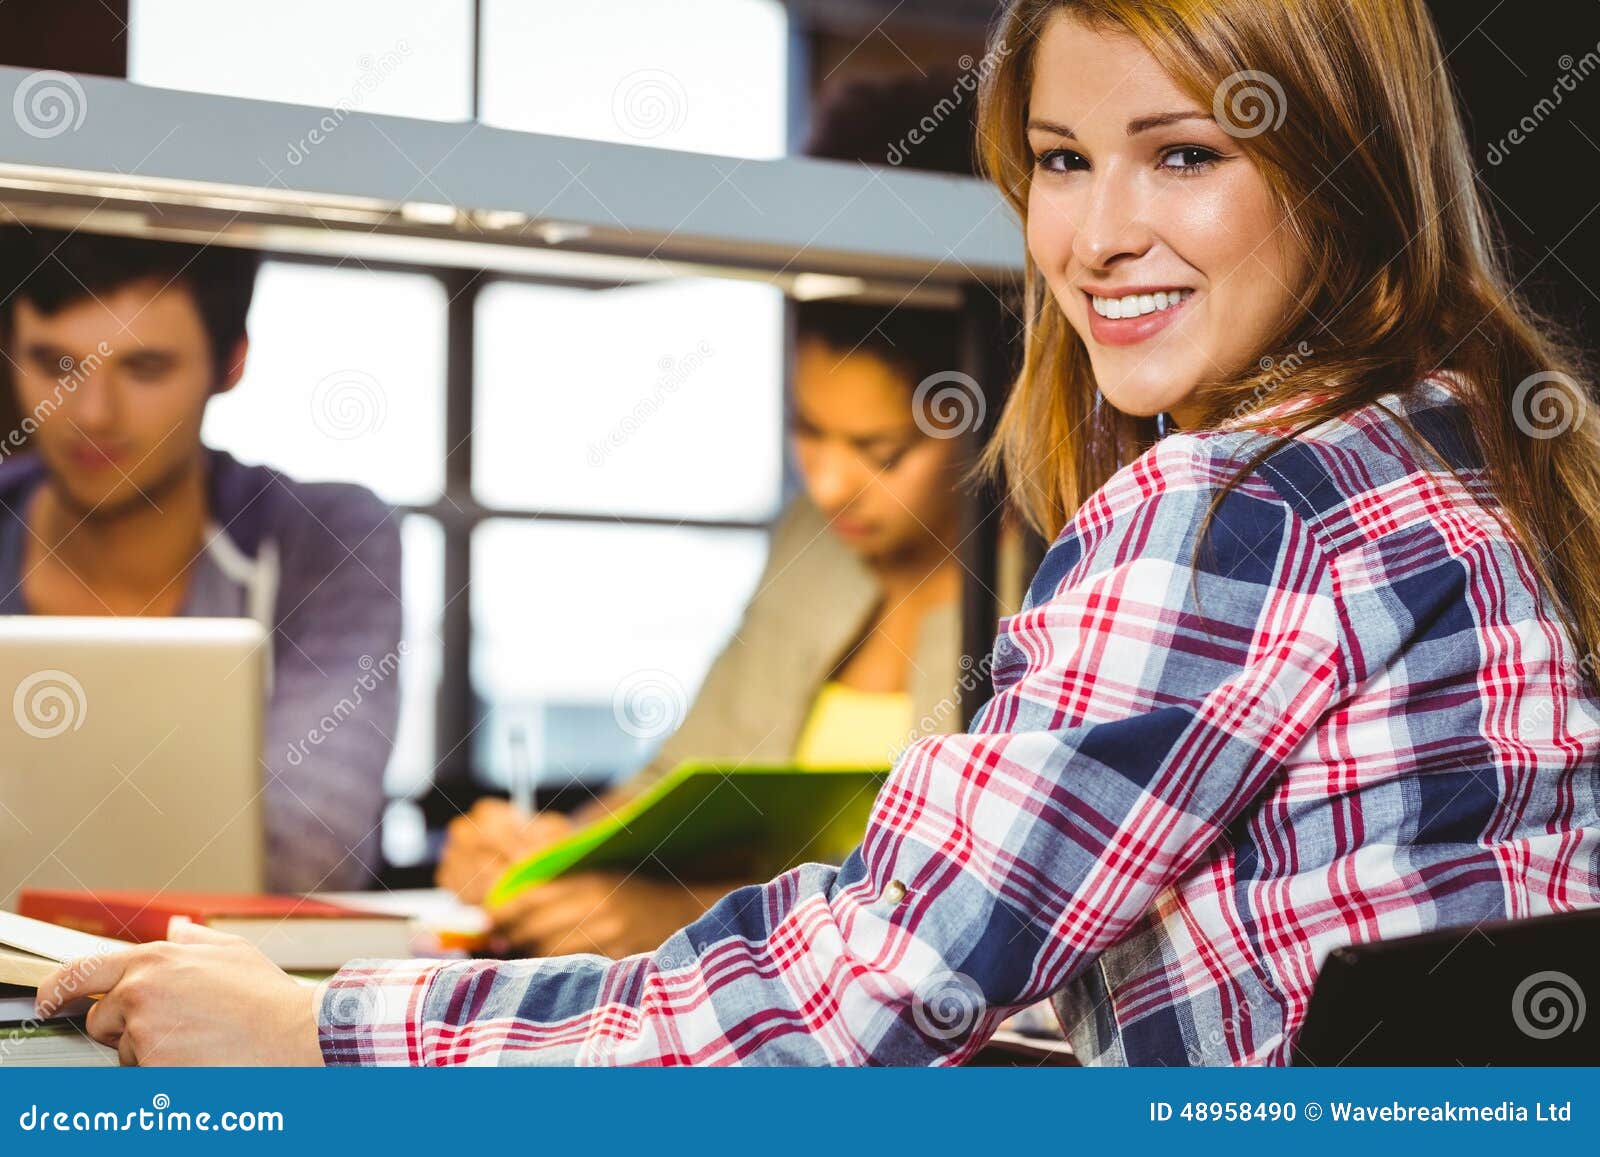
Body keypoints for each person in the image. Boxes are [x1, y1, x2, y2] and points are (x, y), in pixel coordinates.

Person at [38, 0, 1600, 1066]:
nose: (1098, 232)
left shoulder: (1239, 509)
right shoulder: (1469, 458)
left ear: (1341, 164)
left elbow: (863, 993)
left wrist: (319, 1031)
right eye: (1061, 159)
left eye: (1185, 153)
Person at [435, 73, 1022, 959]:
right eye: (808, 431)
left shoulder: (1046, 584)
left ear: (985, 411)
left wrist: (688, 914)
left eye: (881, 450)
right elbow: (679, 791)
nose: (830, 484)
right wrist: (546, 851)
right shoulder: (813, 549)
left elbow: (963, 896)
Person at [0, 229, 402, 893]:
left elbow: (306, 855)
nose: (91, 413)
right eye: (54, 363)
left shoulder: (321, 536)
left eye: (145, 367)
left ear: (231, 364)